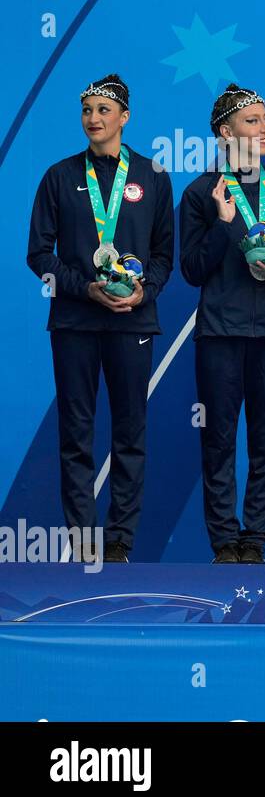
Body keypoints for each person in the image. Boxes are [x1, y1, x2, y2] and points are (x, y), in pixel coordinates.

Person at [26, 74, 174, 563]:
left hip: (133, 322)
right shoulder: (59, 176)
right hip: (75, 322)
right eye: (87, 110)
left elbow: (163, 256)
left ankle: (120, 544)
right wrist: (84, 288)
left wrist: (142, 292)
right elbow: (39, 255)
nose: (94, 118)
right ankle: (84, 543)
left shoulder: (153, 176)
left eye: (104, 110)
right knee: (76, 433)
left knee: (130, 432)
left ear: (125, 117)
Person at [179, 85, 265, 564]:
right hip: (220, 332)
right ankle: (224, 541)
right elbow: (193, 270)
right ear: (225, 131)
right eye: (254, 120)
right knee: (218, 439)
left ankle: (255, 540)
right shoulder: (201, 193)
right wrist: (222, 223)